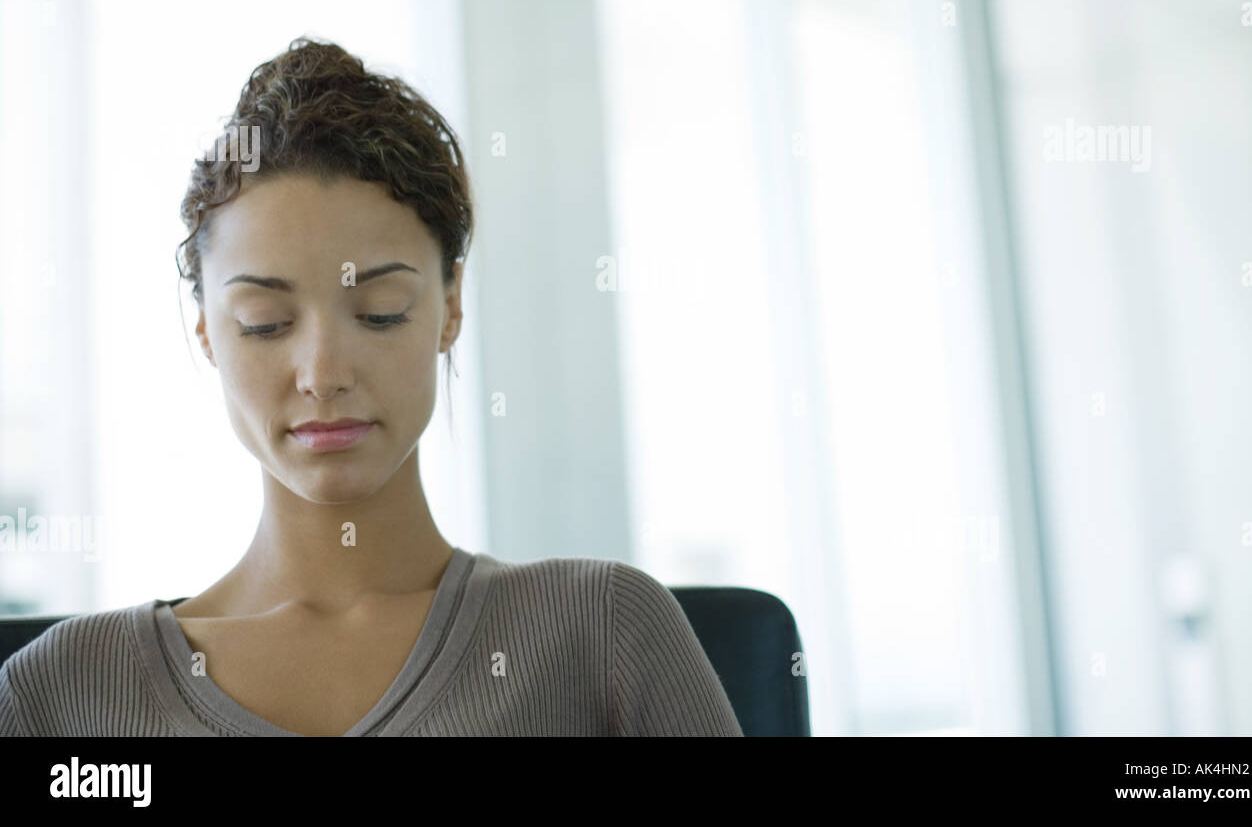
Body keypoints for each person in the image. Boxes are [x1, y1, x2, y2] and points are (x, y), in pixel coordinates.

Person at [0, 37, 743, 737]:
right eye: (264, 321)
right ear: (206, 331)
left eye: (380, 311)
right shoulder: (61, 696)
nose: (324, 373)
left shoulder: (600, 633)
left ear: (451, 306)